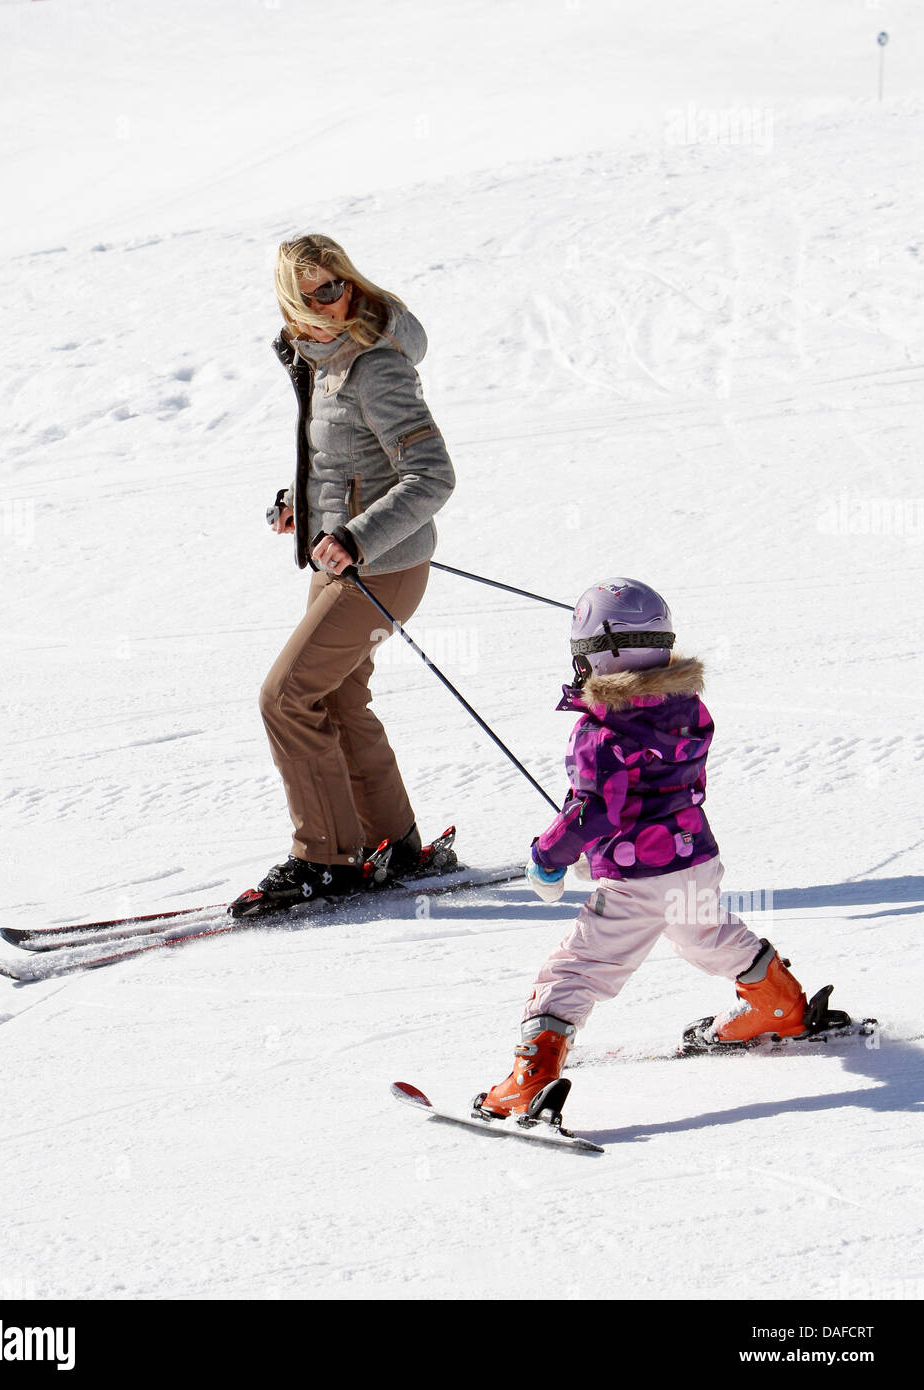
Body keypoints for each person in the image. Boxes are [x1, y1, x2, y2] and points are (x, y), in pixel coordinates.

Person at [477, 577, 813, 1119]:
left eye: (582, 657)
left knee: (578, 968)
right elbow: (647, 788)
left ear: (605, 656)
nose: (578, 669)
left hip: (638, 881)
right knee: (705, 934)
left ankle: (530, 1079)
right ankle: (779, 1005)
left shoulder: (599, 731)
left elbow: (597, 810)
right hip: (694, 858)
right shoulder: (687, 708)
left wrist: (548, 856)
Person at [230, 235, 455, 917]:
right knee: (334, 699)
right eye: (317, 291)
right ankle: (391, 841)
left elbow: (432, 475)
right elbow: (347, 460)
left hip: (380, 567)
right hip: (343, 563)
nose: (335, 299)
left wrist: (355, 536)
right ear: (291, 301)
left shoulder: (375, 365)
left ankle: (325, 859)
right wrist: (302, 507)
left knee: (285, 697)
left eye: (340, 284)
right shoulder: (319, 362)